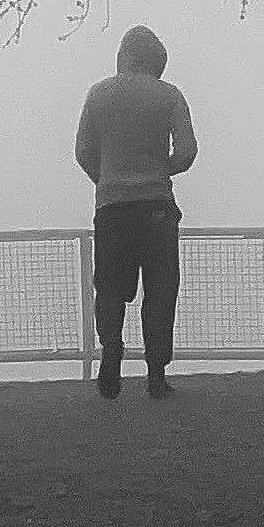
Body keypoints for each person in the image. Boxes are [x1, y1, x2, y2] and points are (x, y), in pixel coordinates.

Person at [75, 24, 197, 398]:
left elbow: (82, 151)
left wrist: (108, 178)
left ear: (126, 55)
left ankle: (111, 351)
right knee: (160, 290)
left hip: (112, 207)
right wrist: (161, 168)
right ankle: (156, 375)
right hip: (156, 207)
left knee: (110, 288)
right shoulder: (170, 96)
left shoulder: (98, 94)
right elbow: (188, 152)